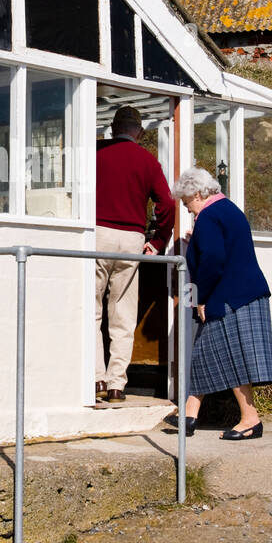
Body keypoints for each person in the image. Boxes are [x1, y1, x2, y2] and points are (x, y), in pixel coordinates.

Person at [165, 167, 272, 440]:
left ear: (199, 194)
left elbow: (213, 259)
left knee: (231, 356)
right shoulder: (227, 209)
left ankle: (250, 419)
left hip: (231, 297)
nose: (188, 209)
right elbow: (219, 248)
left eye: (188, 202)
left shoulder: (209, 216)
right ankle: (189, 414)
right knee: (205, 353)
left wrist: (200, 298)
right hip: (241, 293)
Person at [94, 106, 175, 403]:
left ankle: (95, 379)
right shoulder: (148, 160)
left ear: (114, 128)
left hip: (96, 233)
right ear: (139, 132)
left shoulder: (96, 152)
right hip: (131, 238)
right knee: (123, 314)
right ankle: (117, 383)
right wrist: (157, 241)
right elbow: (167, 203)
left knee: (92, 311)